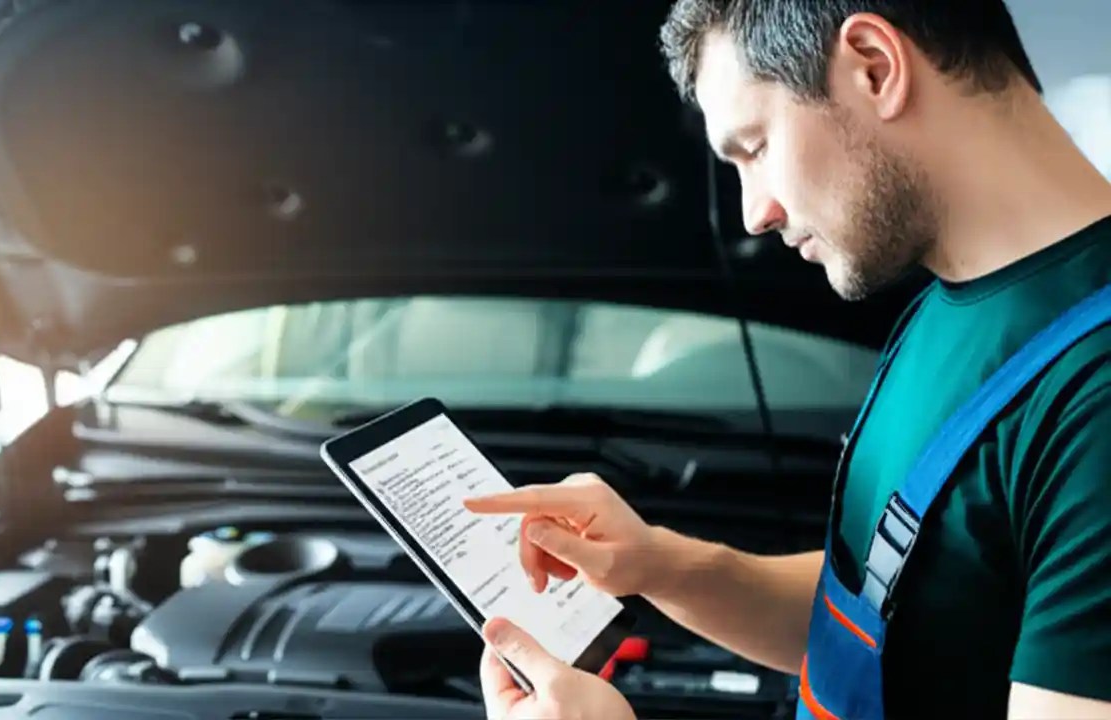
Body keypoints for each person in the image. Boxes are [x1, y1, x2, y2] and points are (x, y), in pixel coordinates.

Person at [463, 1, 1111, 718]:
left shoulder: (1096, 397)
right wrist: (657, 564)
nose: (755, 213)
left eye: (755, 146)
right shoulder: (953, 304)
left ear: (875, 67)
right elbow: (902, 614)